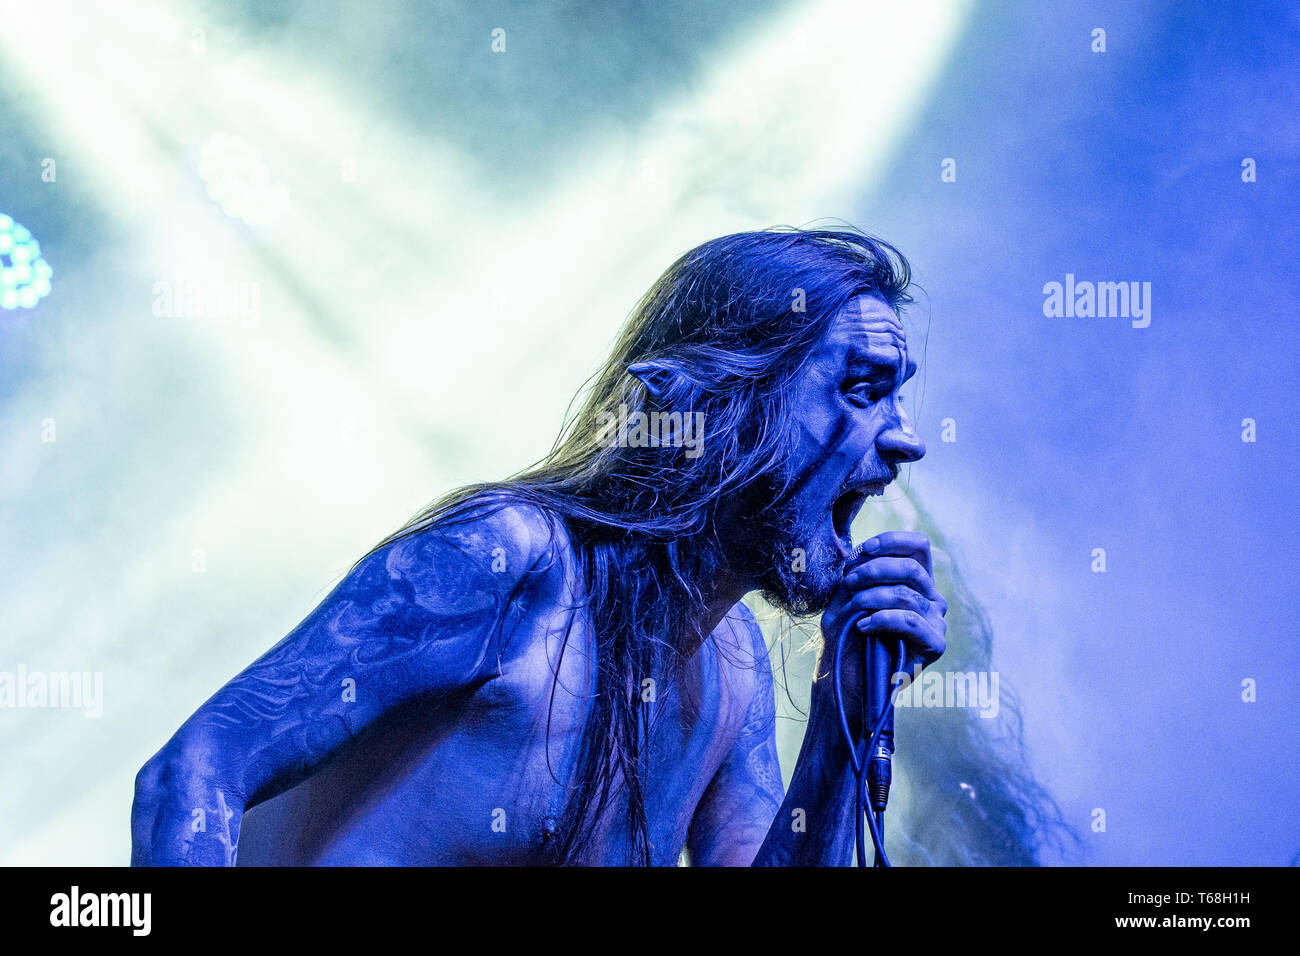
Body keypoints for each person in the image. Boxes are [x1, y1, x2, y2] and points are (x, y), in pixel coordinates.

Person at [130, 226, 948, 866]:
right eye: (862, 390)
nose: (906, 441)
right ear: (724, 401)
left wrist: (847, 721)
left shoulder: (734, 671)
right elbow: (197, 767)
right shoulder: (508, 562)